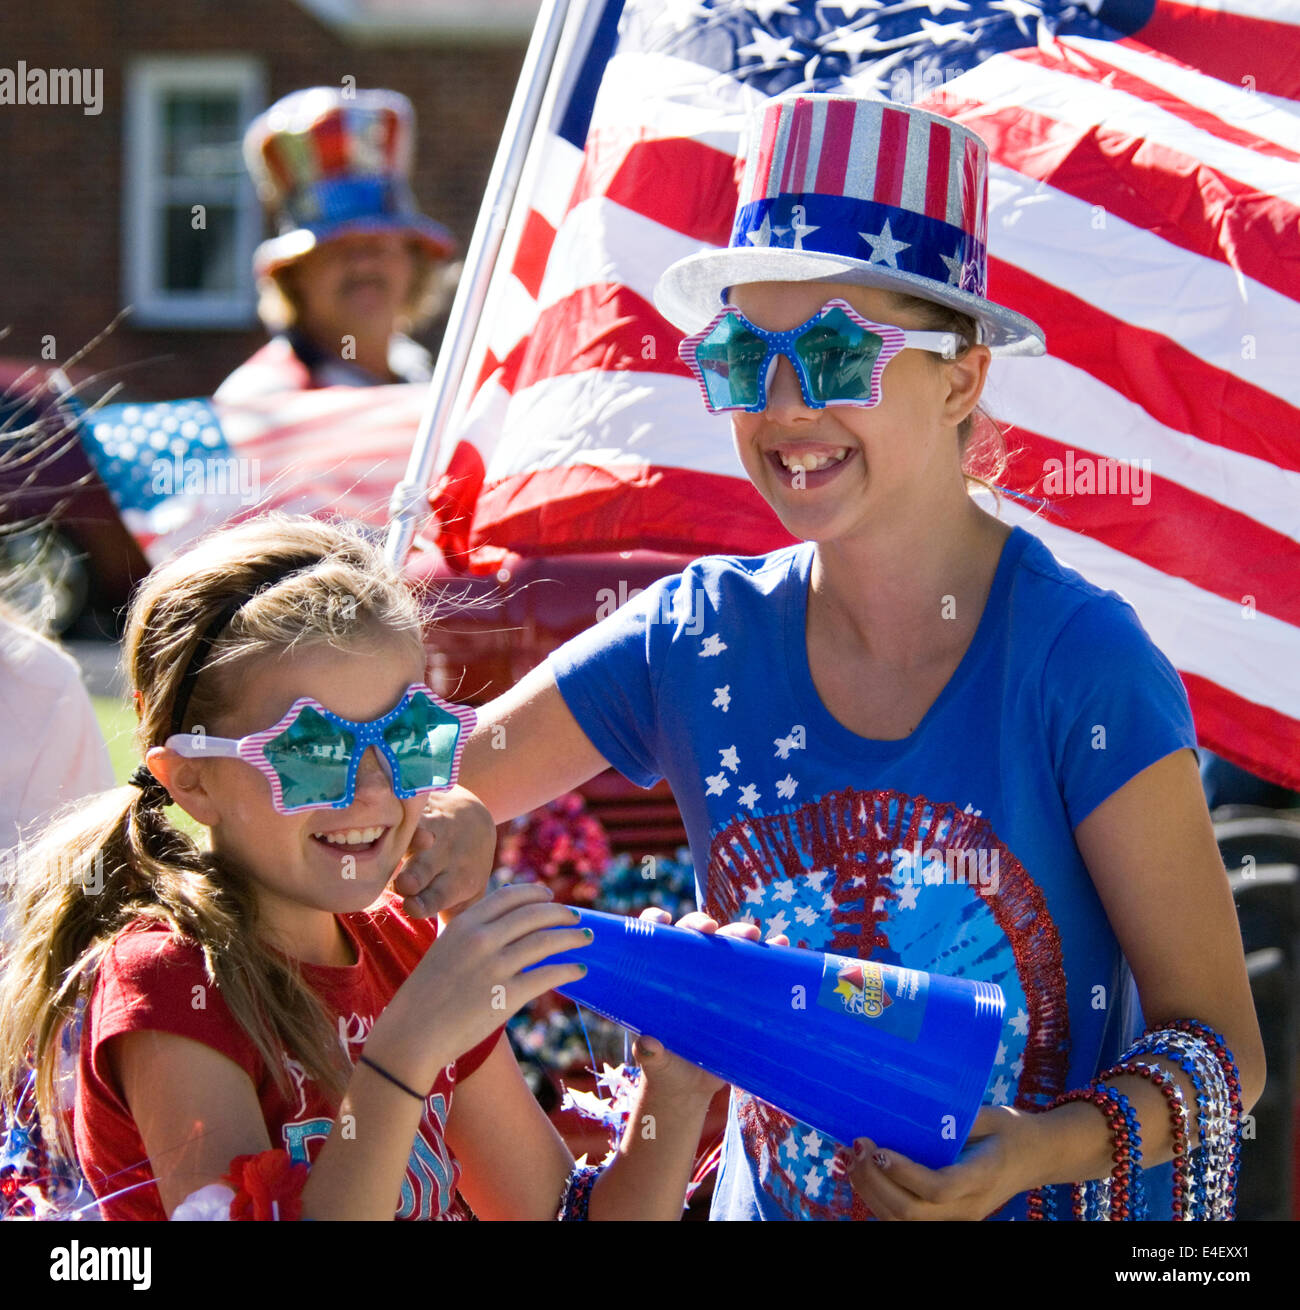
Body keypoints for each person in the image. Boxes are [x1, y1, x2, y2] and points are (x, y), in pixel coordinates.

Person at [396, 94, 1265, 1220]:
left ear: (960, 379)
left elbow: (1224, 1053)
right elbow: (437, 773)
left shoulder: (1079, 658)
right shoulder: (692, 634)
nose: (784, 403)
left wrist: (1030, 1152)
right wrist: (452, 803)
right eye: (743, 355)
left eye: (838, 350)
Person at [0, 514, 728, 1221]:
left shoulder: (409, 949)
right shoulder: (170, 981)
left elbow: (554, 1213)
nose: (376, 791)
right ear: (190, 779)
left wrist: (677, 1091)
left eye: (408, 737)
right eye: (315, 753)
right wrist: (406, 1053)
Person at [215, 88, 456, 403]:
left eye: (378, 245)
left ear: (414, 260)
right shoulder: (263, 403)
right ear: (294, 275)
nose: (363, 264)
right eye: (338, 248)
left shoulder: (424, 379)